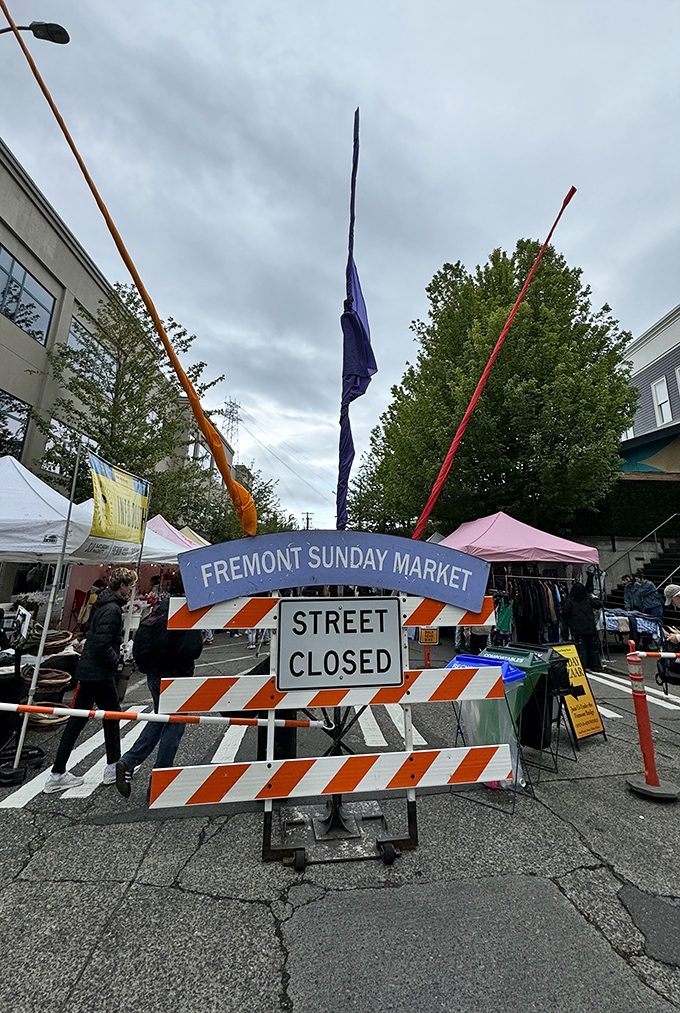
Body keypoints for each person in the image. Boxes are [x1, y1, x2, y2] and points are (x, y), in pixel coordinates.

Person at [44, 567, 137, 793]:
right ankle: (111, 767)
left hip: (89, 669)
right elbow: (101, 644)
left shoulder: (102, 603)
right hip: (99, 672)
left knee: (79, 720)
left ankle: (57, 772)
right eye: (130, 586)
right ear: (122, 585)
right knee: (112, 716)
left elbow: (93, 637)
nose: (130, 590)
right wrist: (116, 660)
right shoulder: (112, 609)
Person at [115, 571, 203, 798]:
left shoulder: (163, 606)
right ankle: (159, 783)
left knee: (161, 718)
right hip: (175, 675)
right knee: (174, 726)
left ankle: (129, 761)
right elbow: (192, 649)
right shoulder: (186, 610)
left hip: (154, 674)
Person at [560, 581, 603, 673]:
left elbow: (564, 613)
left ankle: (582, 666)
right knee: (593, 647)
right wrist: (595, 597)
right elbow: (599, 604)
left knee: (581, 648)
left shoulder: (570, 601)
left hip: (577, 628)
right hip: (590, 627)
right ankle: (595, 666)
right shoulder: (588, 599)